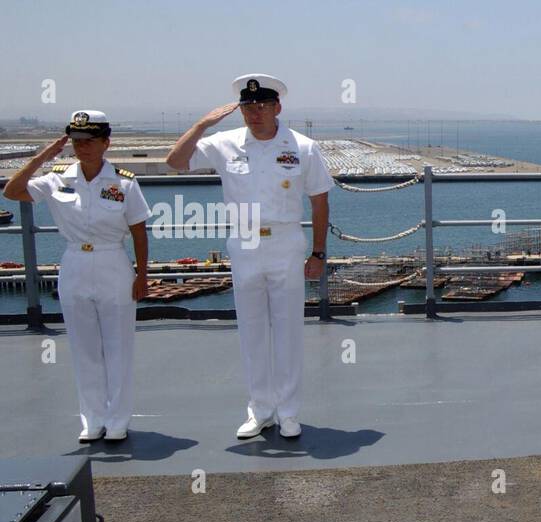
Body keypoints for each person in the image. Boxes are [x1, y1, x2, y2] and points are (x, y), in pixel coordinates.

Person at [165, 74, 331, 440]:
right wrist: (202, 124)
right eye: (247, 107)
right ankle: (259, 410)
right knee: (252, 331)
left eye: (261, 106)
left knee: (287, 330)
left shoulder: (302, 147)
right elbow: (175, 161)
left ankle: (288, 412)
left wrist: (318, 252)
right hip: (244, 245)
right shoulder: (224, 144)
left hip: (285, 242)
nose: (254, 114)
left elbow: (319, 200)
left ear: (277, 108)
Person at [3, 111, 149, 443]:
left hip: (113, 261)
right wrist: (42, 156)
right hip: (74, 264)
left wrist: (142, 274)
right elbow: (12, 192)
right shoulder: (57, 177)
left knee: (117, 347)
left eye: (90, 141)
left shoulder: (123, 181)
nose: (82, 147)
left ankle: (117, 420)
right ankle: (92, 419)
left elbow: (139, 231)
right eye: (77, 141)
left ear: (105, 143)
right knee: (83, 347)